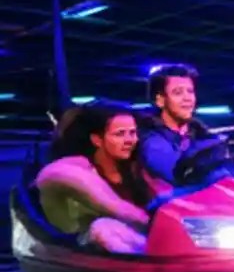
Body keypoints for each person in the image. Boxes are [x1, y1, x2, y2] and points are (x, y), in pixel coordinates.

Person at [36, 104, 154, 254]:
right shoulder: (71, 168)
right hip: (80, 247)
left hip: (138, 239)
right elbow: (117, 208)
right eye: (120, 134)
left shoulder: (135, 169)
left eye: (132, 133)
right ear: (97, 140)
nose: (130, 140)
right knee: (103, 227)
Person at [137, 64, 216, 186]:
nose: (187, 98)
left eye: (190, 91)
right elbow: (180, 175)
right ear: (160, 100)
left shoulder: (203, 134)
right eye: (178, 92)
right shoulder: (151, 141)